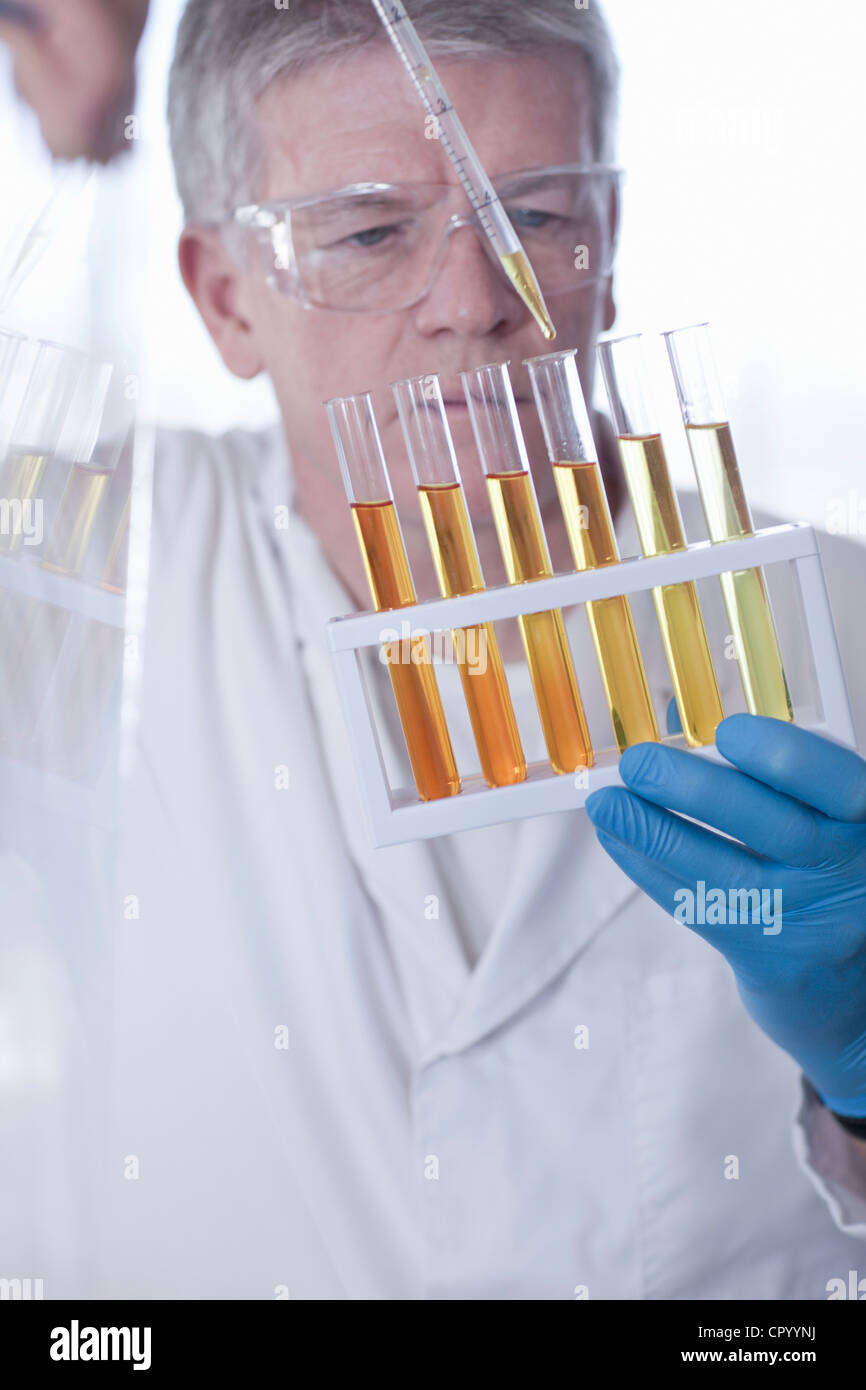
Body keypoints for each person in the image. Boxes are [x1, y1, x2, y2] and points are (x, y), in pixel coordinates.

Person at [3, 0, 866, 1300]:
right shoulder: (97, 570)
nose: (474, 303)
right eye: (365, 230)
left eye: (535, 217)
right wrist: (81, 153)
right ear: (224, 300)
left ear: (609, 241)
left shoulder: (836, 621)